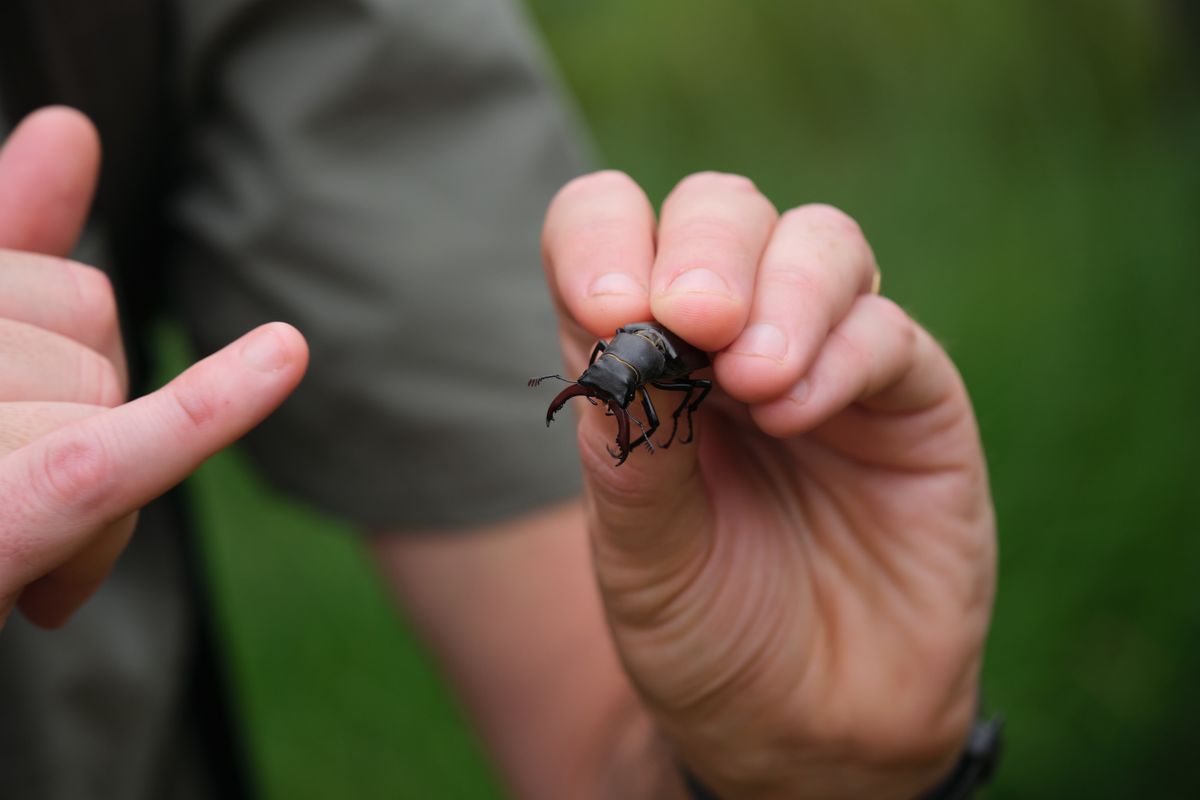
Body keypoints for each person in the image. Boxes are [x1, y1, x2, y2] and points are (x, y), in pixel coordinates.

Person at [0, 4, 997, 800]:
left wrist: (802, 772)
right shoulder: (627, 376)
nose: (598, 396)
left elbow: (599, 745)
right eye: (598, 390)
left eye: (599, 385)